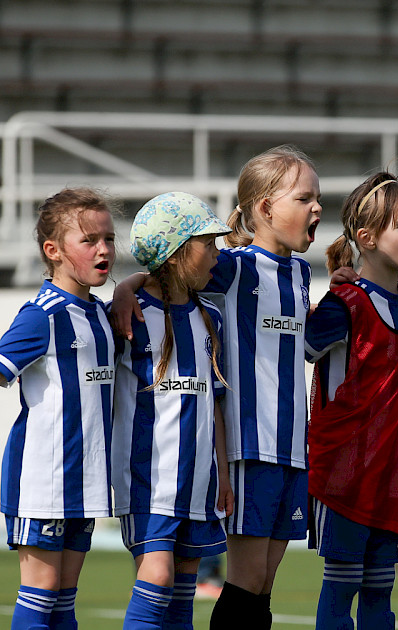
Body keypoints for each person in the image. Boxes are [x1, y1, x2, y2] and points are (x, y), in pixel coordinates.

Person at [114, 146, 322, 628]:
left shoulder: (302, 272)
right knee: (247, 580)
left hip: (293, 448)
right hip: (249, 447)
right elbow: (170, 268)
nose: (317, 208)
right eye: (304, 198)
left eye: (318, 198)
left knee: (265, 583)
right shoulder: (234, 266)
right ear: (265, 207)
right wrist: (129, 285)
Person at [305, 172, 398, 629]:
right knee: (341, 588)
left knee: (380, 590)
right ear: (367, 238)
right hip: (344, 475)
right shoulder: (344, 304)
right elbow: (294, 346)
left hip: (394, 474)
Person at [113, 192, 235, 629]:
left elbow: (214, 404)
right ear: (178, 251)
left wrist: (222, 473)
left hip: (199, 481)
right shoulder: (128, 315)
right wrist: (125, 287)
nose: (217, 255)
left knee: (183, 594)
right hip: (148, 481)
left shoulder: (210, 317)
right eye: (209, 244)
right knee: (157, 577)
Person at [1, 189, 116, 630]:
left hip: (85, 480)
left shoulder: (102, 314)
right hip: (43, 480)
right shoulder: (42, 315)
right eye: (89, 240)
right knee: (41, 592)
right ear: (53, 251)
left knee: (65, 601)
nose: (104, 249)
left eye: (108, 238)